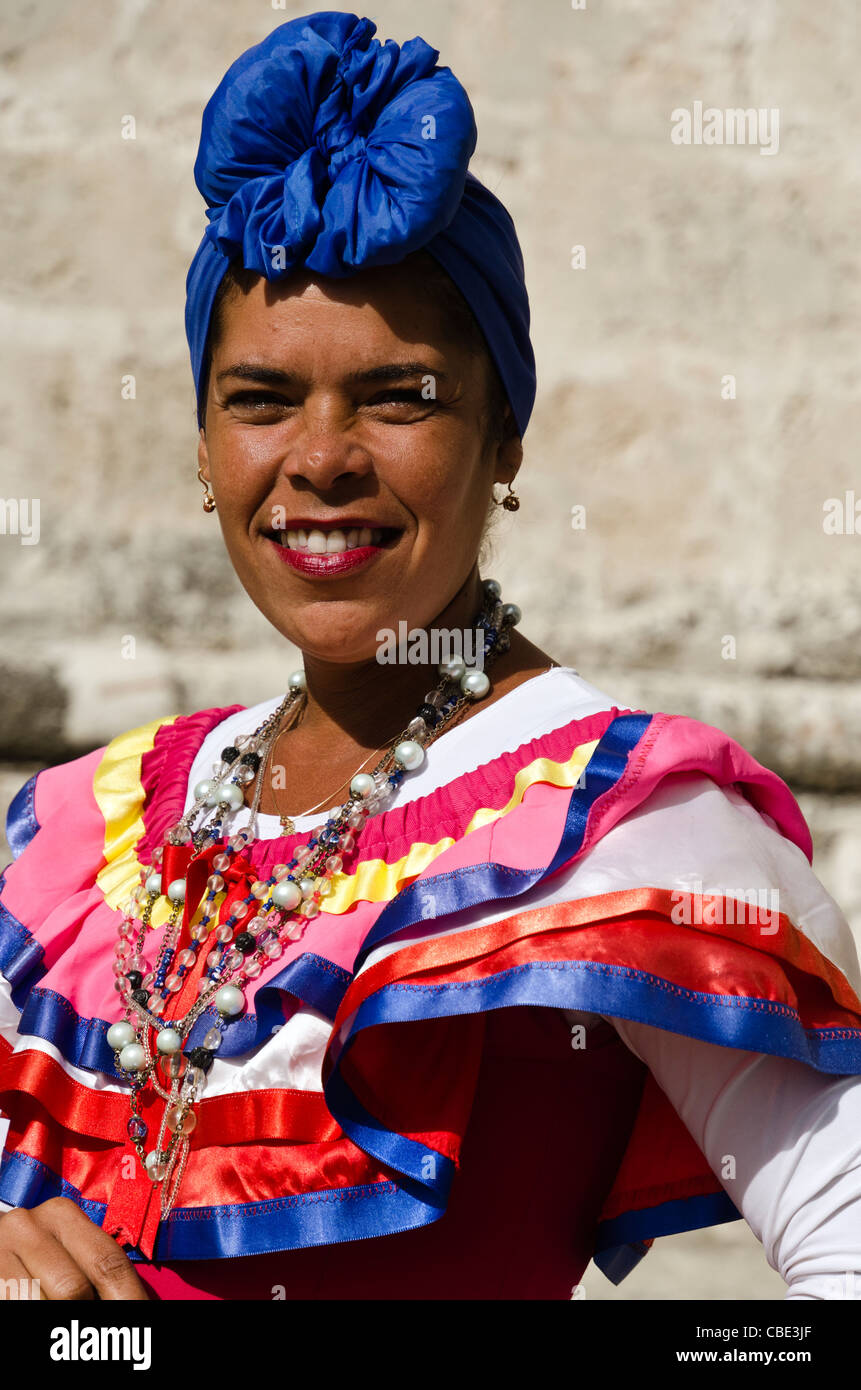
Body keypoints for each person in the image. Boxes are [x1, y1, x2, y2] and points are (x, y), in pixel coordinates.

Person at [1, 11, 861, 1302]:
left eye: (399, 397)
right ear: (199, 447)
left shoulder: (632, 825)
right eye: (260, 398)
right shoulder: (83, 829)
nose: (322, 459)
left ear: (503, 441)